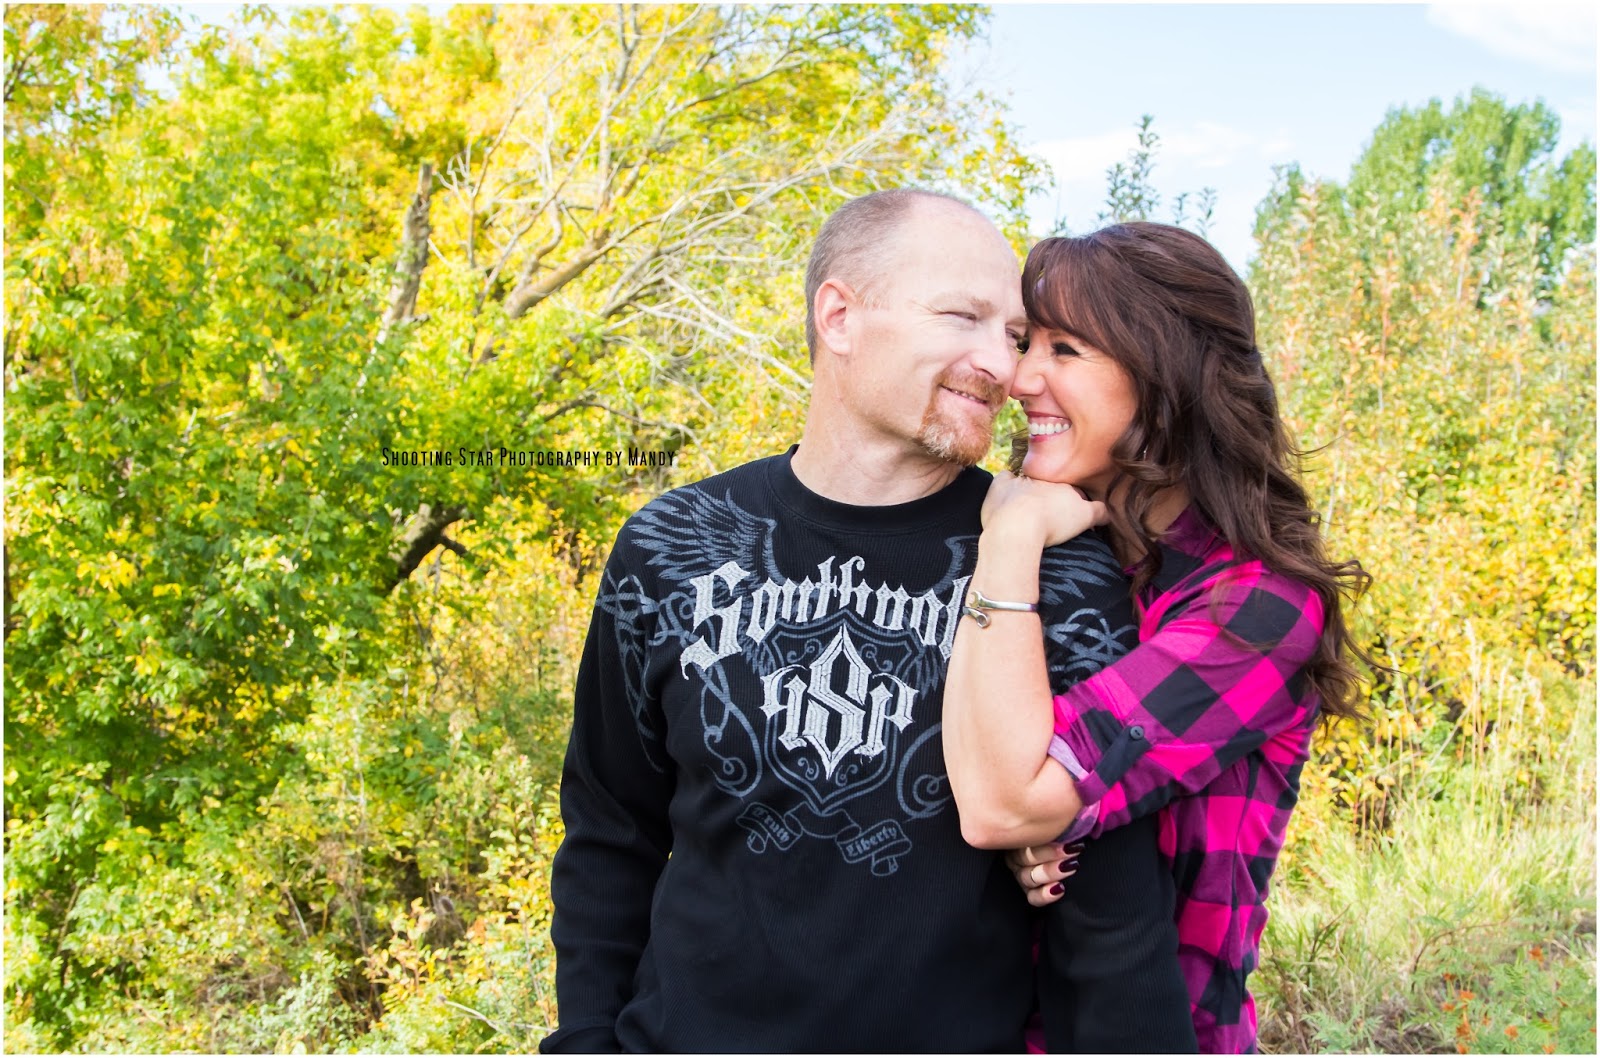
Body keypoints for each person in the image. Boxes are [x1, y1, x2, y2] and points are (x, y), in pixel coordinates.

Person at [541, 191, 1194, 1052]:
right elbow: (609, 829)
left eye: (1013, 334)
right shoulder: (670, 546)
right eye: (962, 316)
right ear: (840, 316)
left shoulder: (1052, 562)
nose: (1002, 367)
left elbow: (1109, 917)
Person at [943, 222, 1370, 1053]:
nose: (1020, 377)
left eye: (1065, 350)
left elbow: (1007, 802)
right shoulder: (1087, 555)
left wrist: (1011, 539)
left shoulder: (1258, 606)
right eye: (1028, 343)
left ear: (1163, 375)